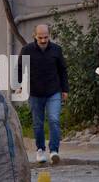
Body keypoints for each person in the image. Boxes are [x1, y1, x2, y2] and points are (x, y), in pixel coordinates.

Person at [20, 22, 68, 164]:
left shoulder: (56, 50)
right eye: (40, 37)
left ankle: (54, 151)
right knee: (38, 123)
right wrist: (19, 85)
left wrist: (65, 89)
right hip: (35, 92)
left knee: (54, 120)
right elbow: (20, 68)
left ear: (49, 36)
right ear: (35, 36)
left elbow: (62, 70)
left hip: (54, 91)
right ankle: (40, 149)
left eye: (45, 37)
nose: (43, 41)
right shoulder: (27, 50)